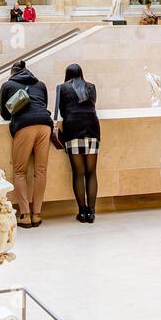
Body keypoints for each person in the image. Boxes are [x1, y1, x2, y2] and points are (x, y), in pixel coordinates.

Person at [0, 60, 52, 228]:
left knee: (20, 171)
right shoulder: (41, 84)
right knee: (41, 171)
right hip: (45, 124)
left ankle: (25, 215)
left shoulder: (8, 85)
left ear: (12, 73)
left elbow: (4, 113)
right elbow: (44, 105)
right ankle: (37, 214)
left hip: (24, 126)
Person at [55, 63, 100, 223]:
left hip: (72, 127)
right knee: (91, 172)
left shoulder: (62, 88)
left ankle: (82, 212)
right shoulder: (91, 87)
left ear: (67, 75)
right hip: (92, 127)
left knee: (78, 172)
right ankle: (92, 212)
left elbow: (61, 111)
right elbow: (92, 104)